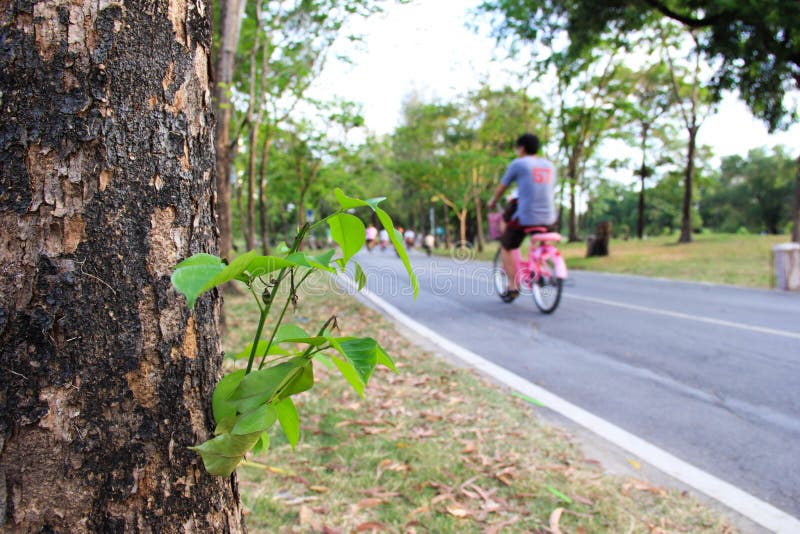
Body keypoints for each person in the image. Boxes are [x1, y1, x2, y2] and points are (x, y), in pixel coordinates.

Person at [487, 133, 557, 303]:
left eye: (517, 148)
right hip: (550, 218)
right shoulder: (550, 165)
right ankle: (539, 264)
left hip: (527, 218)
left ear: (522, 148)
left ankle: (513, 286)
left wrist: (493, 201)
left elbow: (502, 187)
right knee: (537, 238)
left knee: (506, 245)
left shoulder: (518, 164)